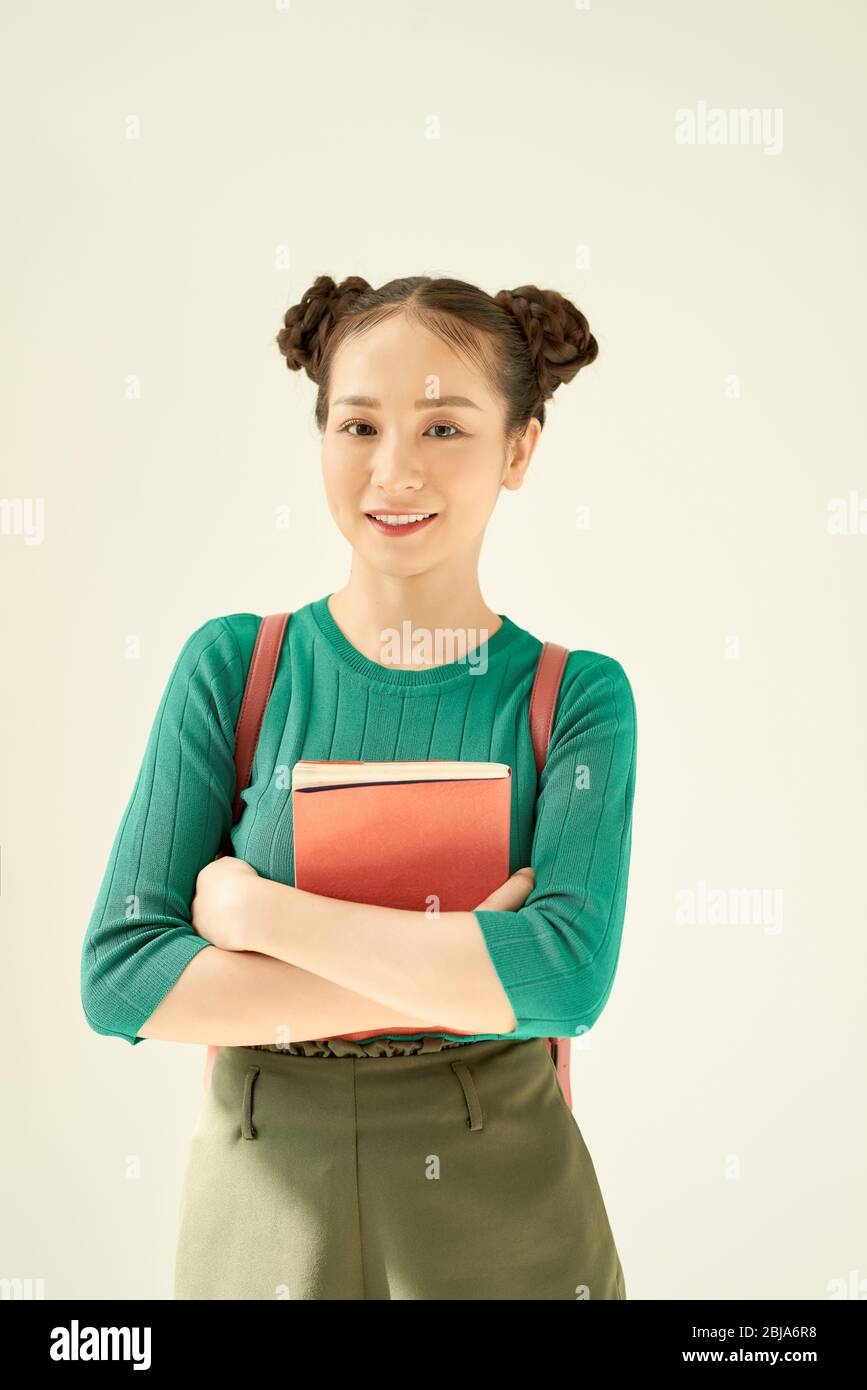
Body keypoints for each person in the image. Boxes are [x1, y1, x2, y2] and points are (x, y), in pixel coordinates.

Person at [80, 274, 638, 1300]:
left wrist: (259, 912)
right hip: (264, 1192)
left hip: (506, 1192)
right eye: (359, 424)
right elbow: (120, 978)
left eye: (443, 428)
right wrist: (467, 973)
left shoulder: (576, 698)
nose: (393, 470)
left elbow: (565, 978)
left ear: (521, 449)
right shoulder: (234, 668)